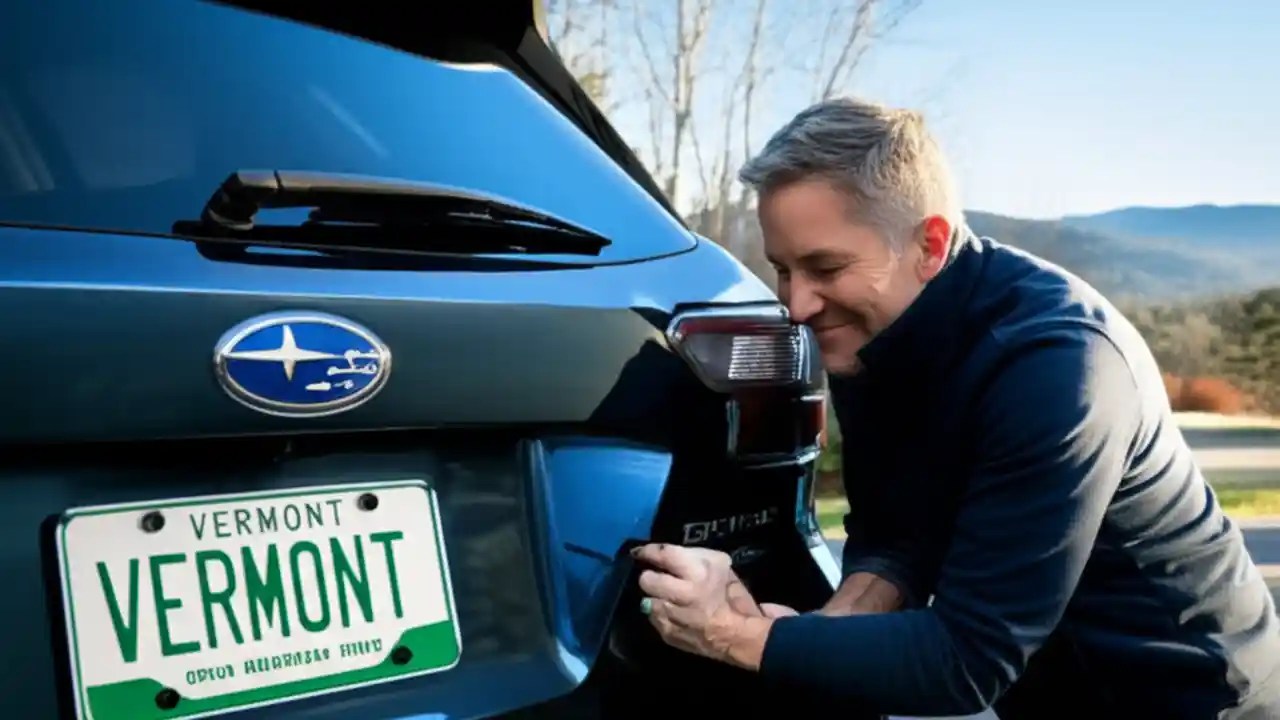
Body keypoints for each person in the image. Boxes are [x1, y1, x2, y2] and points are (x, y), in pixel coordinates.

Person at [630, 97, 1280, 719]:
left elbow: (969, 657)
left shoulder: (1059, 367)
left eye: (825, 268)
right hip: (1060, 695)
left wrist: (732, 636)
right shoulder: (872, 337)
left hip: (1199, 699)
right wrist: (818, 634)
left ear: (930, 245)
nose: (797, 306)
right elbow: (897, 535)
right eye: (782, 270)